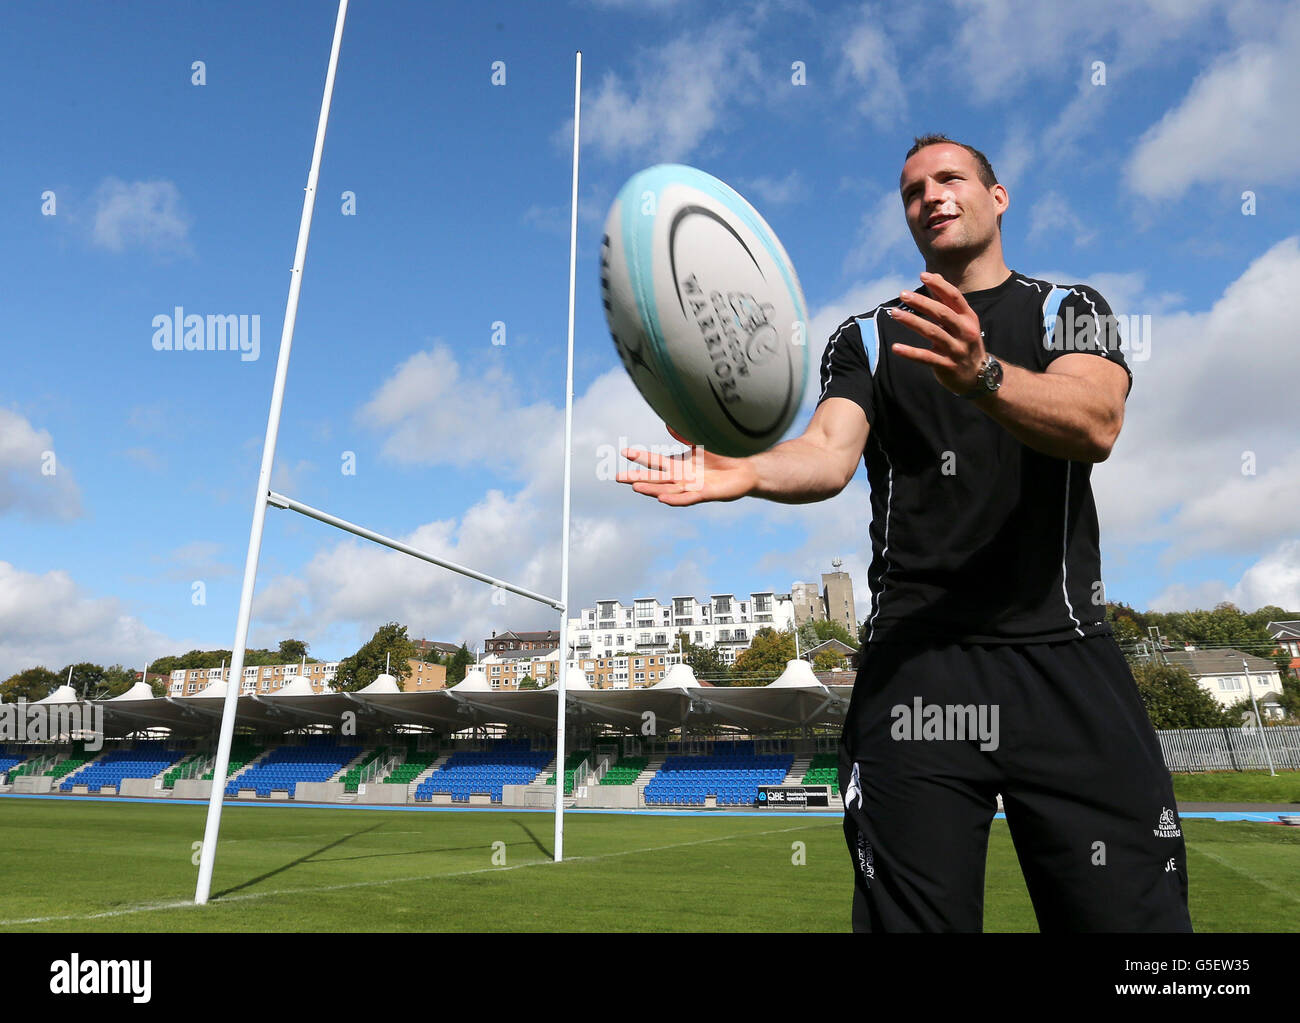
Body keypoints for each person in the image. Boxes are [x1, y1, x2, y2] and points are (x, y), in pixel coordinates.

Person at [616, 134, 1191, 933]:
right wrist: (743, 470)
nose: (931, 196)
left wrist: (982, 375)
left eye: (950, 178)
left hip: (1063, 660)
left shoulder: (1069, 309)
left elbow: (1095, 420)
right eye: (913, 190)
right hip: (916, 671)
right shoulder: (868, 337)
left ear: (998, 197)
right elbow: (826, 453)